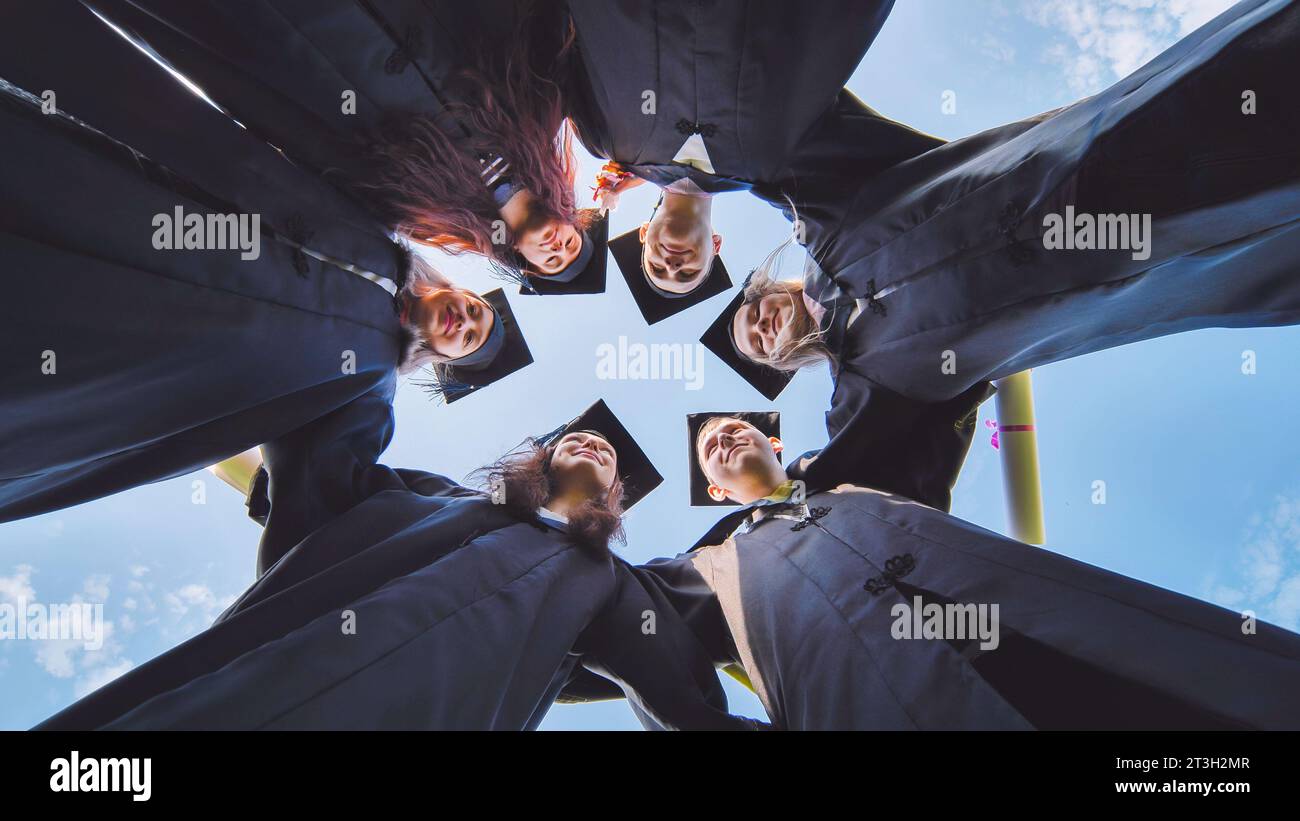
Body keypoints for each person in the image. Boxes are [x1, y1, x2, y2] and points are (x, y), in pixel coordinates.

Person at [0, 5, 528, 523]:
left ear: (443, 358)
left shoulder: (368, 386)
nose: (469, 322)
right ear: (463, 290)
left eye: (470, 340)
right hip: (160, 172)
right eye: (478, 310)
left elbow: (325, 488)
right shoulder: (381, 232)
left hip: (144, 302)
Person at [35, 395, 763, 730]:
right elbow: (310, 470)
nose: (596, 445)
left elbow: (686, 693)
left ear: (617, 504)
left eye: (607, 456)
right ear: (538, 456)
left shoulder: (606, 587)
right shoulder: (431, 498)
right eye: (577, 438)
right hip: (222, 688)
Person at [618, 414, 1300, 730]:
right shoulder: (709, 572)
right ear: (714, 492)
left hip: (1072, 652)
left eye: (733, 427)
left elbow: (920, 379)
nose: (721, 437)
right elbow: (610, 617)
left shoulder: (862, 466)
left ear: (775, 440)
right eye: (709, 449)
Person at [76, 0, 605, 289]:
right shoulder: (539, 115)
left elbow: (323, 158)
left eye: (552, 262)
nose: (558, 248)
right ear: (571, 219)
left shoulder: (423, 214)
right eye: (572, 244)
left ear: (523, 260)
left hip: (306, 56)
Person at [563, 0, 927, 313]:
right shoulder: (775, 164)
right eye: (687, 273)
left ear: (643, 234)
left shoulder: (605, 138)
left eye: (658, 268)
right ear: (715, 246)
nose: (672, 265)